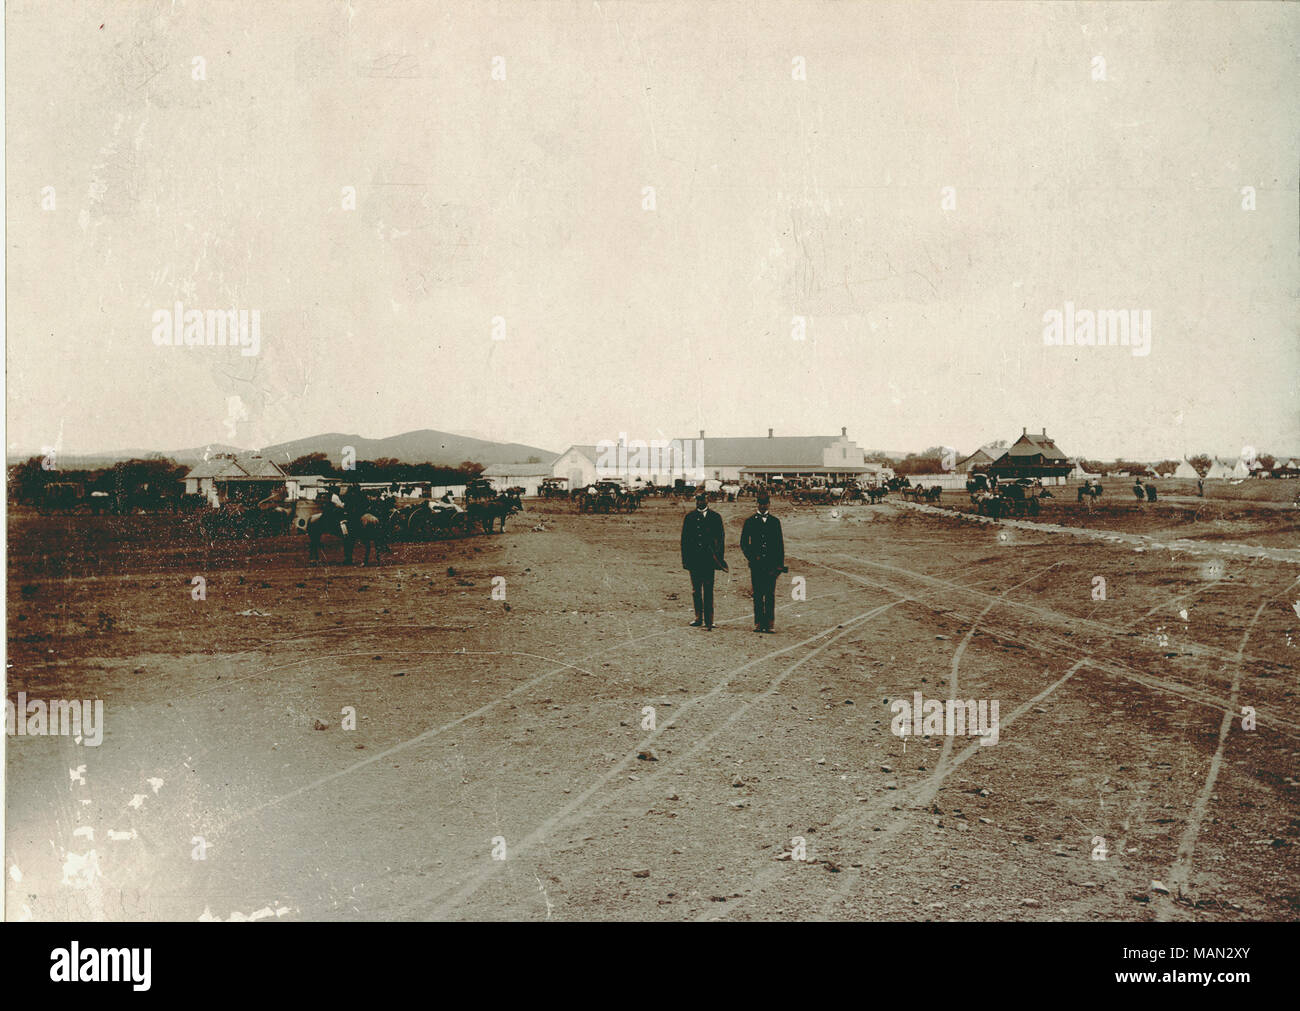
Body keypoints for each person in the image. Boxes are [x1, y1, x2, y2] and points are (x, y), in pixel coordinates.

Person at [741, 491, 786, 633]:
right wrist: (752, 558)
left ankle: (770, 624)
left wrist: (779, 565)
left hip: (772, 565)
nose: (763, 506)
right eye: (760, 504)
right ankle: (759, 623)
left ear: (769, 504)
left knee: (770, 594)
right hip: (757, 565)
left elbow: (780, 545)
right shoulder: (750, 521)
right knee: (758, 594)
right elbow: (743, 543)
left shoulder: (775, 522)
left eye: (765, 504)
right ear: (757, 504)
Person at [680, 491, 726, 629]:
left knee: (708, 590)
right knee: (696, 590)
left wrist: (719, 559)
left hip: (709, 560)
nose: (701, 502)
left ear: (708, 501)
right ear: (696, 501)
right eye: (699, 500)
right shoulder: (690, 517)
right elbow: (685, 541)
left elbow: (721, 540)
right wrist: (686, 561)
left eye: (703, 500)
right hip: (694, 560)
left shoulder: (715, 518)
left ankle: (709, 620)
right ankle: (698, 617)